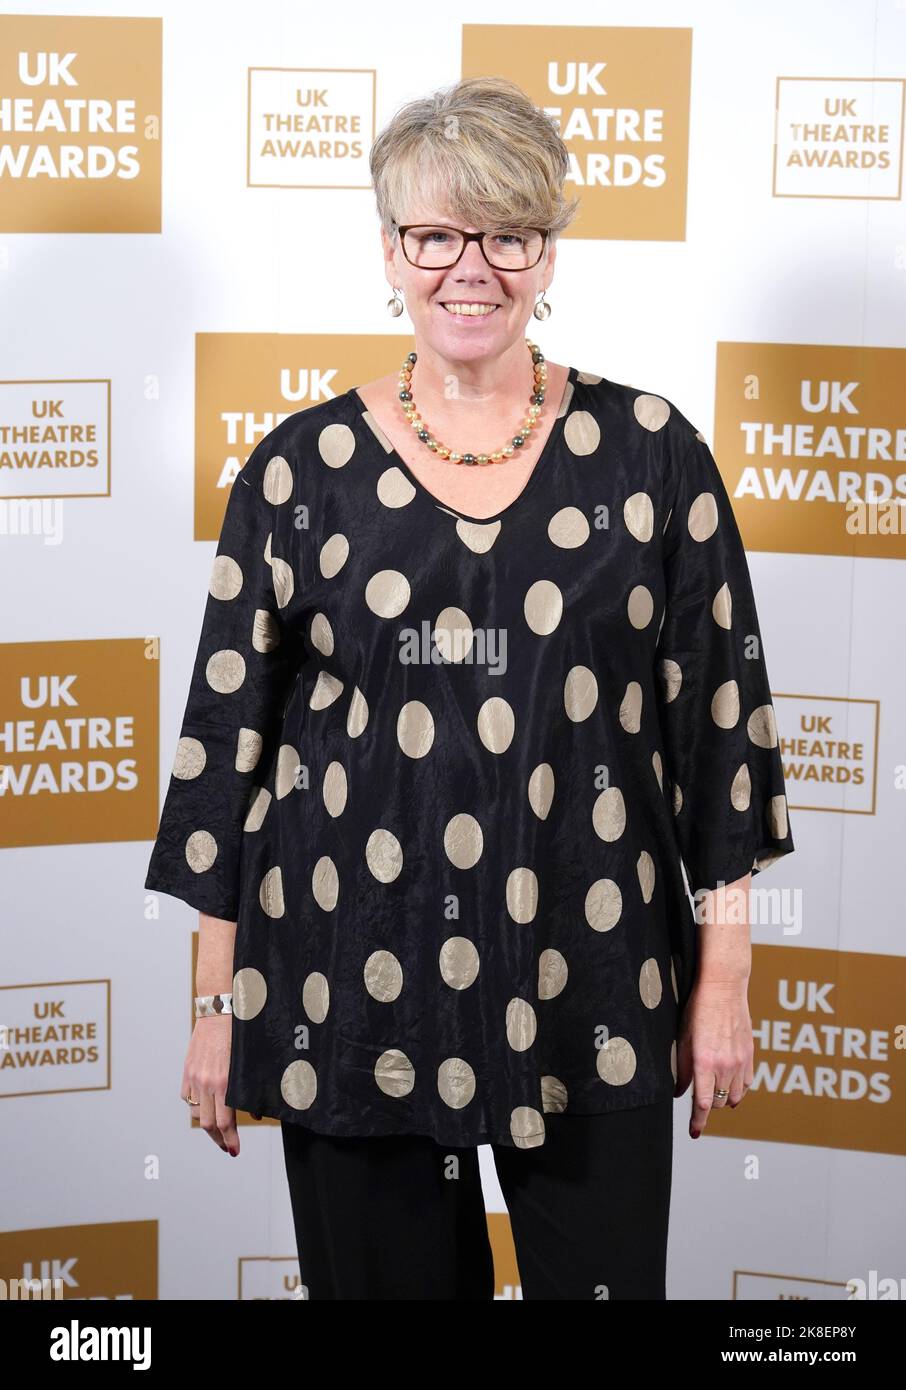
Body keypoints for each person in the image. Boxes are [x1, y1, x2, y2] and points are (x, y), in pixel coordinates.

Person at [144, 76, 795, 1299]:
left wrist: (725, 981)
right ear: (391, 250)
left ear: (549, 249)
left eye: (508, 234)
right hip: (354, 977)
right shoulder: (300, 471)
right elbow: (226, 752)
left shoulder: (654, 452)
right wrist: (215, 1002)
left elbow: (724, 734)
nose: (470, 269)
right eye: (436, 235)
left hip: (594, 973)